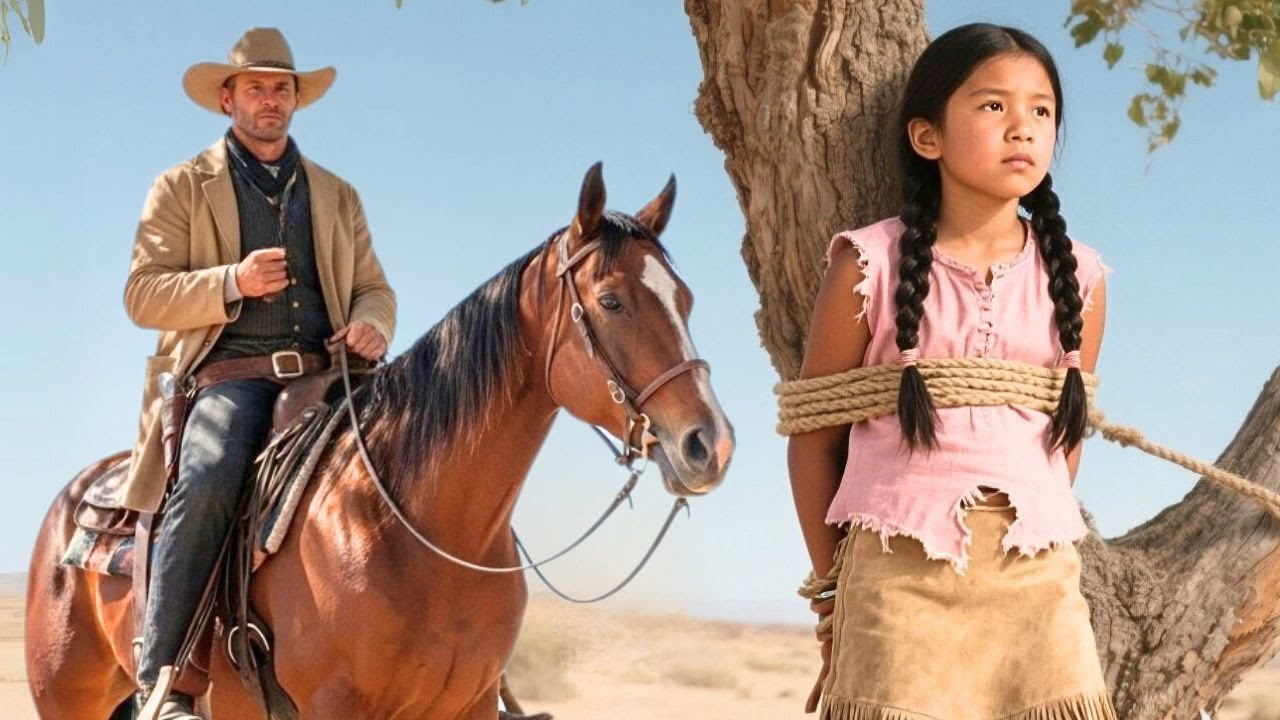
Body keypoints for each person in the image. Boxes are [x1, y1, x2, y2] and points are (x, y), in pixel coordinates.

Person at [789, 23, 1116, 720]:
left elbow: (1068, 436)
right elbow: (813, 437)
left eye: (1042, 110)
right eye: (993, 106)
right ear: (926, 137)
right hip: (897, 579)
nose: (1022, 128)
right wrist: (829, 592)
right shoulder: (867, 263)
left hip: (1038, 579)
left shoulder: (1082, 278)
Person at [122, 27, 395, 718]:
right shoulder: (183, 186)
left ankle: (476, 673)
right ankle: (167, 682)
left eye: (282, 88)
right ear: (227, 99)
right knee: (210, 477)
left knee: (430, 456)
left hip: (331, 374)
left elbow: (374, 287)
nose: (270, 100)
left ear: (296, 100)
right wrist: (232, 282)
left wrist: (374, 323)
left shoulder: (338, 195)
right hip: (229, 375)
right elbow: (142, 293)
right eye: (255, 88)